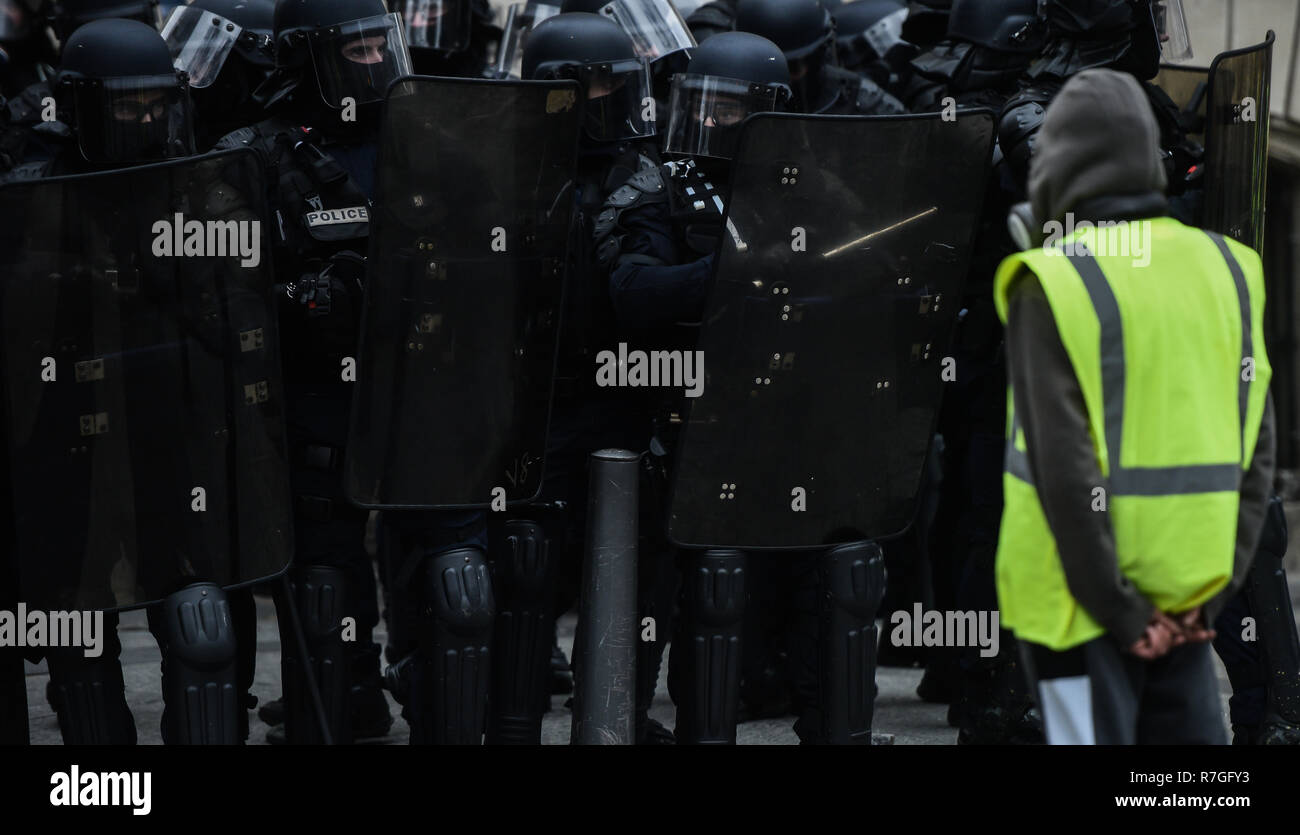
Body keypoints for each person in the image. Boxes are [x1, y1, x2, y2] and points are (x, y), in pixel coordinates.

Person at [993, 67, 1274, 744]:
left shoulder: (1051, 279)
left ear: (1055, 163)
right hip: (1188, 605)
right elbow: (1257, 455)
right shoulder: (1231, 267)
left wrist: (1124, 614)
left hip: (1075, 612)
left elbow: (1065, 468)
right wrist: (1211, 592)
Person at [217, 0, 413, 744]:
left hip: (416, 386)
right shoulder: (256, 156)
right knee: (326, 564)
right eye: (357, 50)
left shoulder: (421, 133)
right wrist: (301, 295)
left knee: (443, 564)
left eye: (381, 45)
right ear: (308, 60)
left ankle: (429, 692)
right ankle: (340, 697)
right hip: (314, 390)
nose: (377, 62)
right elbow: (212, 292)